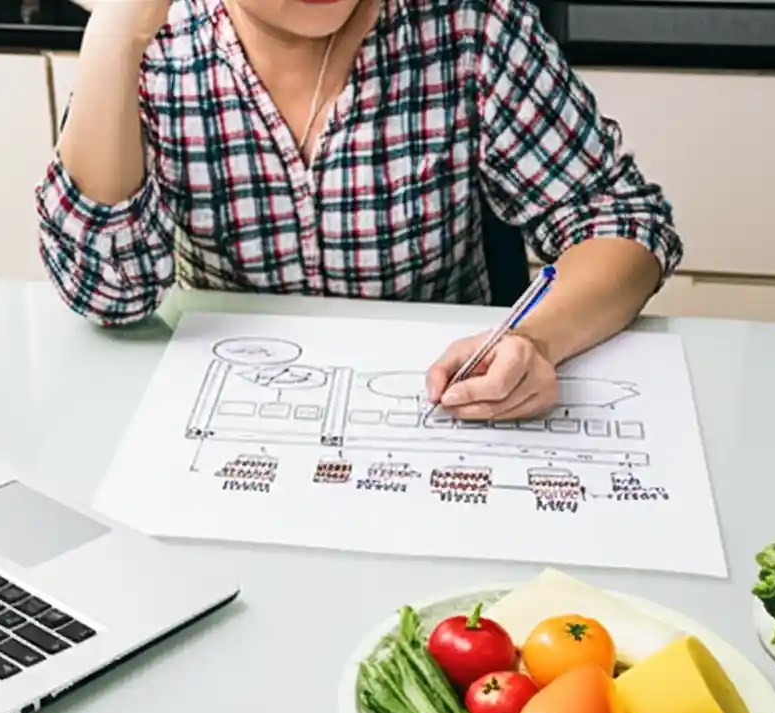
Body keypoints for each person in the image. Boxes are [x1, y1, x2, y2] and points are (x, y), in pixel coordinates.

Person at [34, 0, 683, 420]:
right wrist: (113, 38)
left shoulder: (472, 25)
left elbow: (619, 220)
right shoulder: (159, 45)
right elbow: (111, 294)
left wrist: (535, 340)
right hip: (235, 415)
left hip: (442, 412)